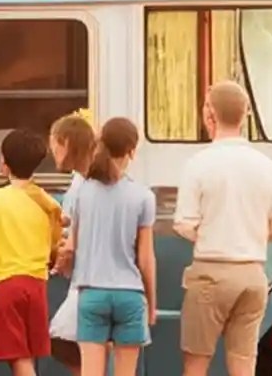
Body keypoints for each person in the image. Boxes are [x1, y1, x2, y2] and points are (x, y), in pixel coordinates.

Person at [173, 81, 272, 376]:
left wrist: (214, 233)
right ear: (246, 114)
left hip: (211, 273)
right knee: (243, 364)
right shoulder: (267, 166)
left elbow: (184, 225)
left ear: (209, 114)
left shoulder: (198, 164)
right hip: (253, 275)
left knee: (196, 363)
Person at [61, 117, 156, 376]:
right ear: (132, 151)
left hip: (91, 293)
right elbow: (146, 258)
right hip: (130, 295)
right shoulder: (143, 196)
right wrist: (152, 303)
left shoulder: (83, 192)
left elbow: (72, 245)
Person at [0, 129, 62, 376]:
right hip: (36, 285)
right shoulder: (48, 203)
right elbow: (55, 250)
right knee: (29, 355)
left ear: (4, 164)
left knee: (18, 358)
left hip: (5, 285)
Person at [47, 112, 98, 375]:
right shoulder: (85, 178)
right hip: (97, 279)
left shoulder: (84, 184)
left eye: (54, 143)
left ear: (65, 143)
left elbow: (75, 232)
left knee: (65, 340)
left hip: (91, 281)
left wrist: (60, 259)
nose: (51, 150)